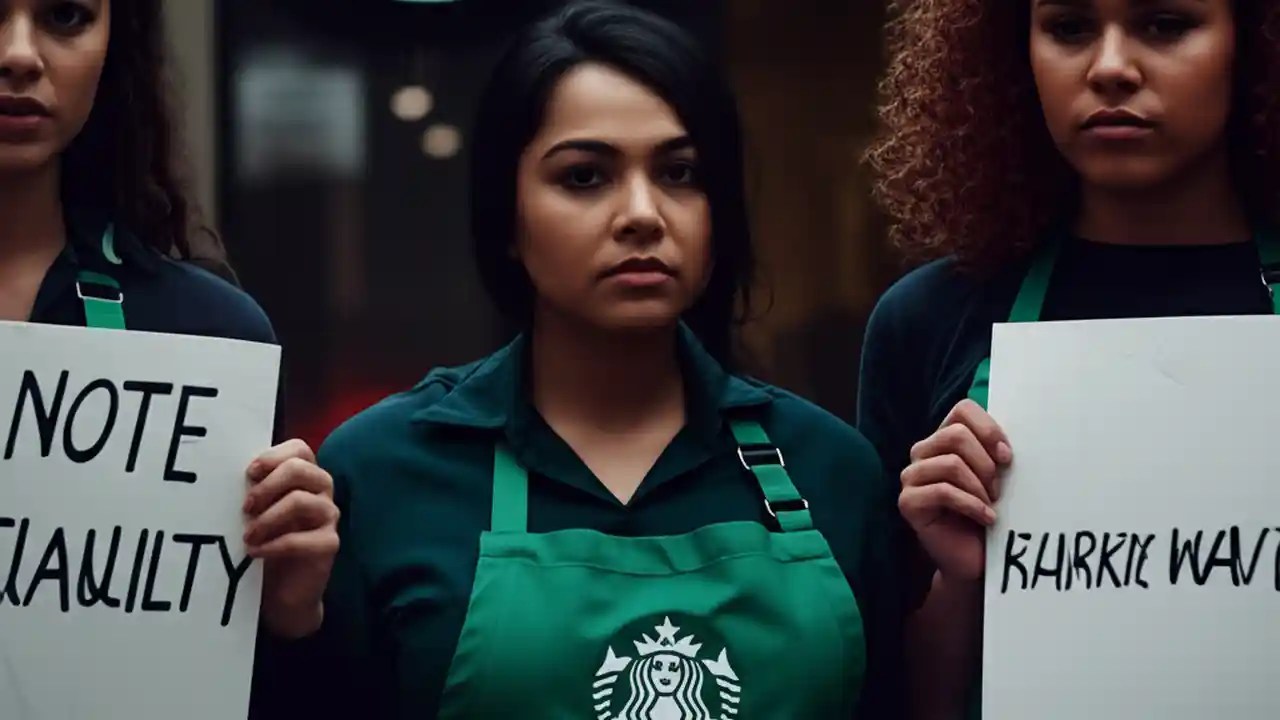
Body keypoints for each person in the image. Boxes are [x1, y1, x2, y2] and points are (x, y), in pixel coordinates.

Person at [308, 1, 903, 717]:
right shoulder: (382, 475)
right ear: (506, 218)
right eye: (585, 177)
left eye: (681, 173)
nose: (644, 214)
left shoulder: (831, 470)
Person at [858, 0, 1280, 717]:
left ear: (1254, 46)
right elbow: (895, 702)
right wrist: (959, 580)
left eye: (1166, 24)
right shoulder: (924, 321)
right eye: (1071, 28)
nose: (1110, 67)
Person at [0, 0, 338, 696]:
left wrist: (286, 612)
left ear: (113, 45)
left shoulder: (208, 338)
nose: (19, 54)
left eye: (65, 16)